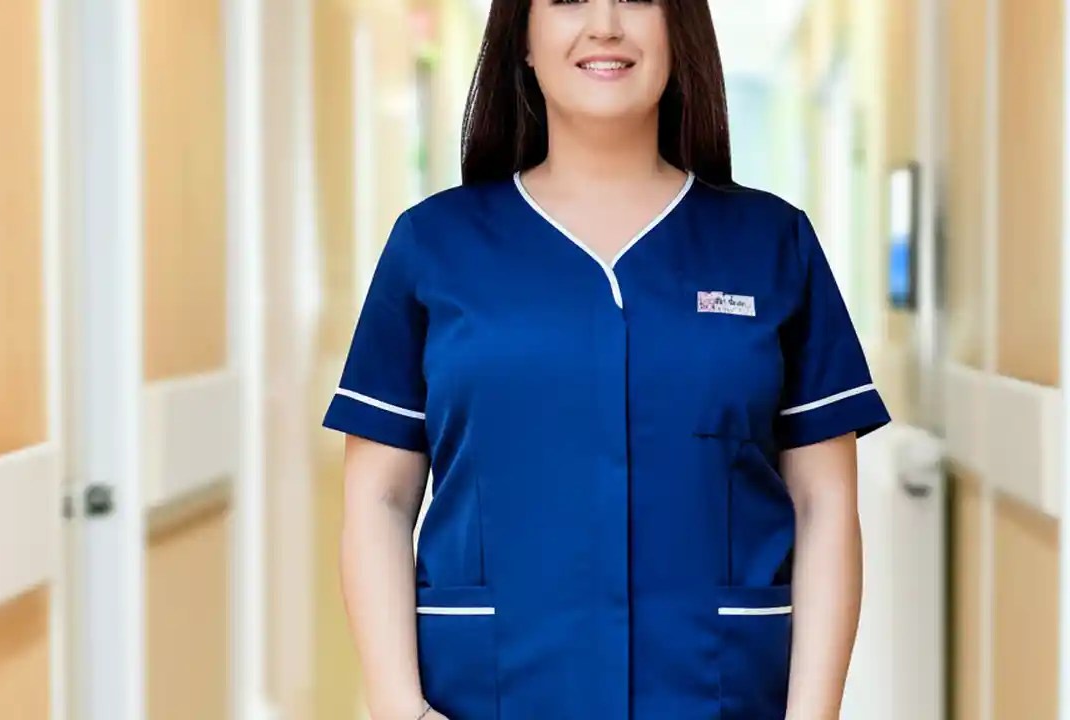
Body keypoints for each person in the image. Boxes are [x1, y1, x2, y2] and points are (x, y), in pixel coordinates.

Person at [322, 0, 891, 718]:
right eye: (567, 0)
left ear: (679, 29)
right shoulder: (432, 246)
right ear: (523, 41)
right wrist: (401, 709)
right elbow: (378, 498)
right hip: (489, 696)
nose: (606, 24)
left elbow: (824, 502)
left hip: (715, 695)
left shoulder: (773, 244)